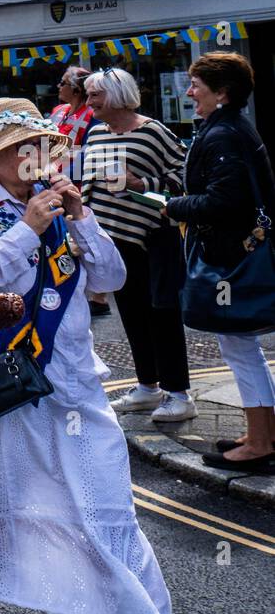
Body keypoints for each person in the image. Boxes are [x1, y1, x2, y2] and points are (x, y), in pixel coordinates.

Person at [0, 98, 237, 614]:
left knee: (107, 507)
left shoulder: (62, 203)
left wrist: (81, 222)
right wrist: (28, 229)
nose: (39, 158)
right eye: (25, 148)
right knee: (1, 500)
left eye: (43, 147)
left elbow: (109, 280)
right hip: (1, 382)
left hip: (73, 380)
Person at [167, 52, 275, 472]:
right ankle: (262, 433)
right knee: (244, 348)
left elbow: (225, 202)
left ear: (223, 93)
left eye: (197, 85)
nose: (189, 92)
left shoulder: (224, 134)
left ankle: (261, 444)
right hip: (235, 252)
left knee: (239, 347)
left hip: (230, 257)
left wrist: (173, 205)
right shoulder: (226, 129)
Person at [81, 68, 195, 423]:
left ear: (115, 95)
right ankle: (148, 387)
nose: (88, 103)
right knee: (131, 314)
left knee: (162, 314)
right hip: (112, 237)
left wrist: (141, 181)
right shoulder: (96, 132)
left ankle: (179, 394)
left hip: (154, 236)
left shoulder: (153, 132)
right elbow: (89, 182)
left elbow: (184, 176)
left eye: (94, 96)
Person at [51, 66, 111, 316]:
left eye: (63, 82)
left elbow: (93, 151)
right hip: (55, 179)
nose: (58, 87)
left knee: (85, 233)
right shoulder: (58, 112)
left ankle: (98, 295)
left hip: (79, 183)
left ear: (75, 88)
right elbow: (47, 143)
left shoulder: (92, 116)